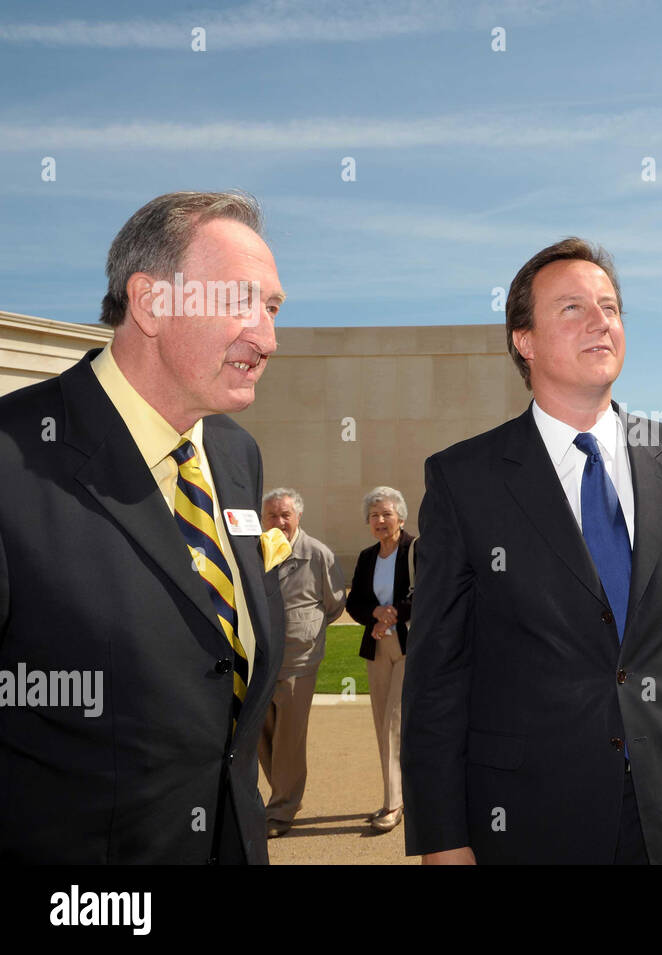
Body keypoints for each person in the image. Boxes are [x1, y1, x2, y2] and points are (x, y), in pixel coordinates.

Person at [402, 238, 662, 865]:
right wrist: (443, 836)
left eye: (610, 307)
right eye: (573, 309)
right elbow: (437, 674)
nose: (601, 321)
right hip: (530, 816)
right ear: (523, 341)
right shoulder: (464, 479)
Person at [0, 191, 286, 863]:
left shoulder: (237, 456)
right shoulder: (14, 457)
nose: (267, 336)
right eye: (239, 301)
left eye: (272, 308)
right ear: (152, 302)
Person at [258, 488, 347, 838]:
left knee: (289, 740)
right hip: (262, 662)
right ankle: (284, 797)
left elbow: (334, 604)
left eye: (285, 515)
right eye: (272, 515)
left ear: (298, 517)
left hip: (299, 661)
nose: (279, 522)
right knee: (262, 739)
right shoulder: (255, 551)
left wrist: (305, 629)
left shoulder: (318, 555)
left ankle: (281, 810)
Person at [346, 487, 414, 834]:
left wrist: (393, 615)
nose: (380, 521)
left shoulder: (417, 549)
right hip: (376, 648)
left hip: (408, 647)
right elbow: (354, 602)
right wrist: (374, 614)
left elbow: (429, 593)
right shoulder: (367, 556)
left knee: (394, 723)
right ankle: (398, 792)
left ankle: (394, 803)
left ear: (401, 517)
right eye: (374, 515)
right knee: (381, 723)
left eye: (387, 514)